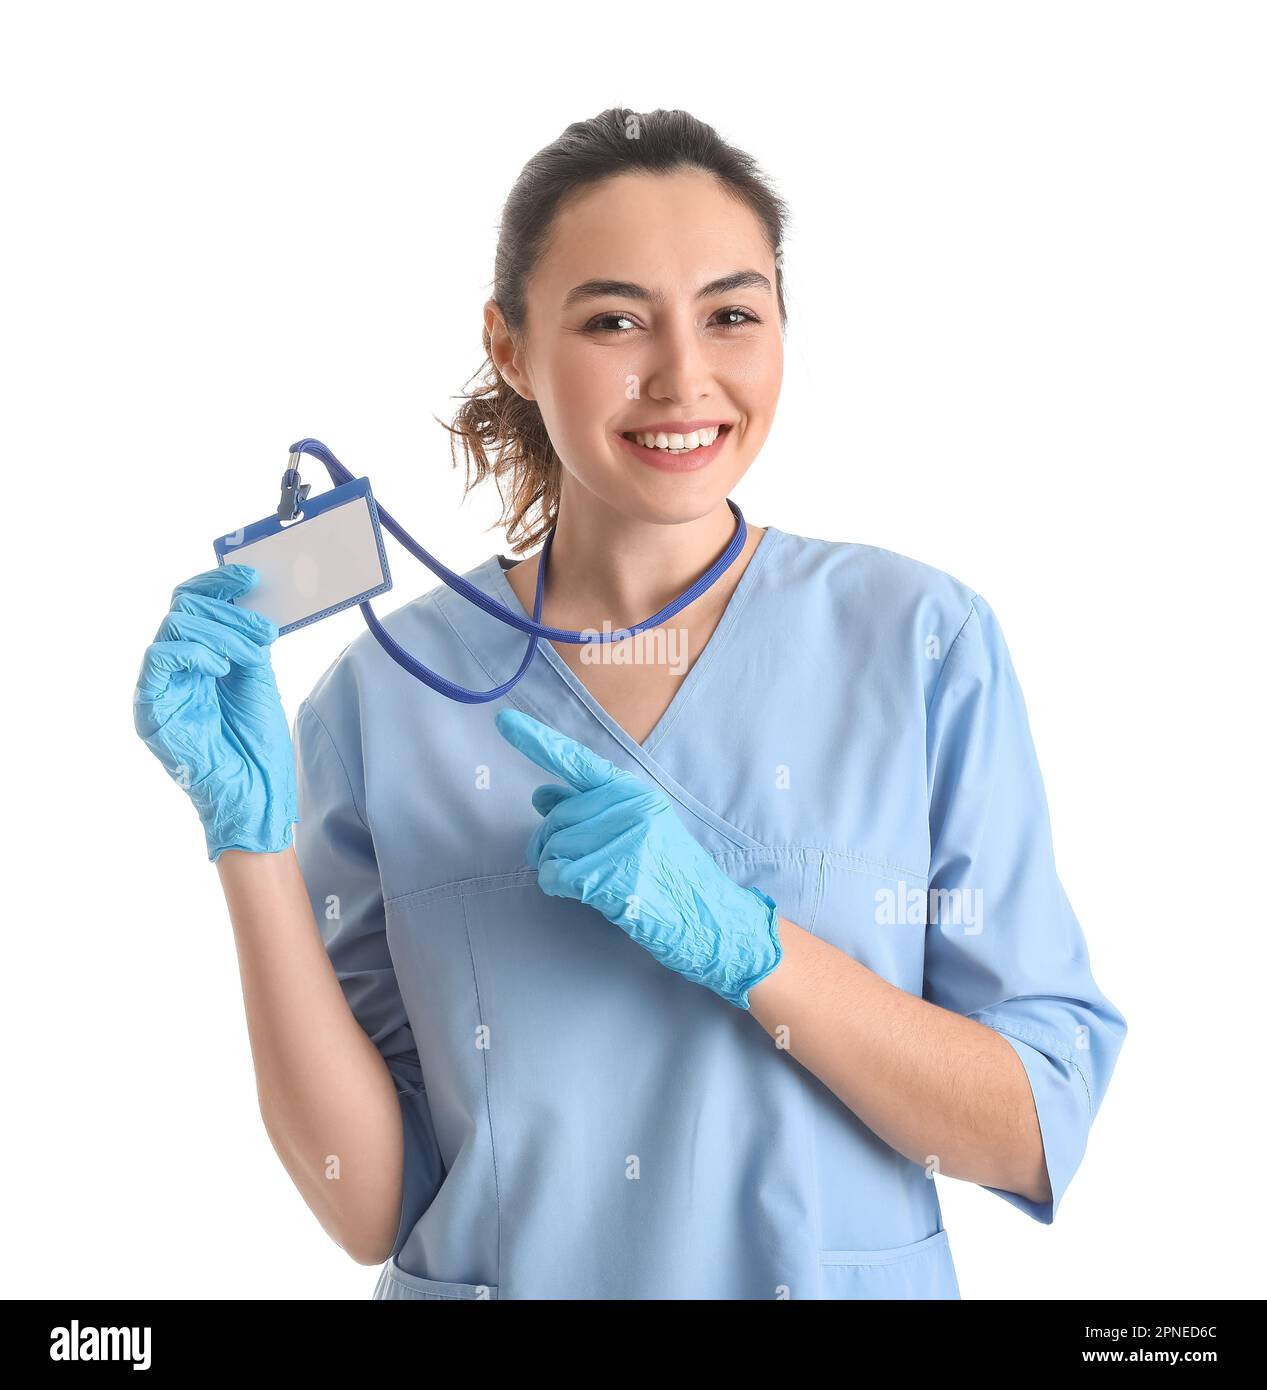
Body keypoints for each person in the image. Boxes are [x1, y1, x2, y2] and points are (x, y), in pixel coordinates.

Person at [133, 107, 1127, 1300]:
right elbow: (365, 1197)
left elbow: (1028, 1126)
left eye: (731, 315)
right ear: (508, 345)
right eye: (613, 320)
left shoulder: (919, 645)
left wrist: (749, 946)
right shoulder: (384, 697)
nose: (682, 377)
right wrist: (248, 849)